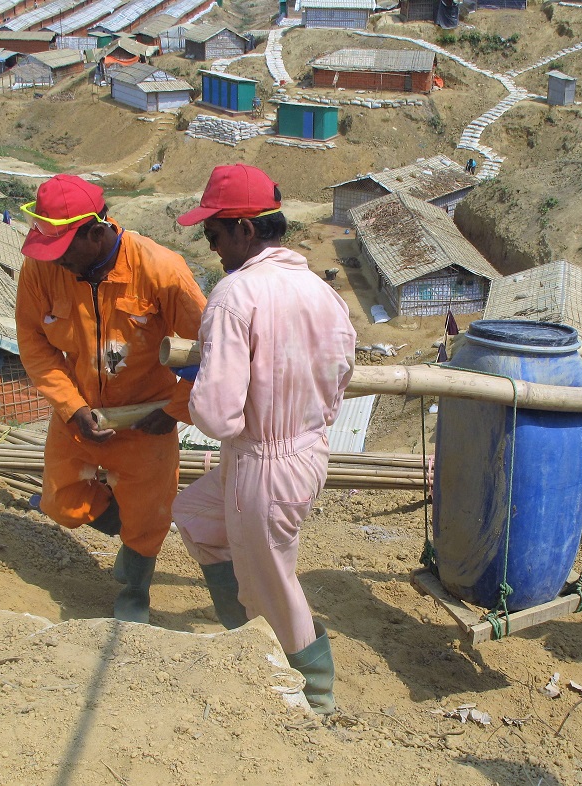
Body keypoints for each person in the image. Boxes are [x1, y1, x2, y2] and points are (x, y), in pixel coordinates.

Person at [172, 164, 356, 715]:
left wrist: (200, 379)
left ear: (246, 231)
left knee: (275, 583)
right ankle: (244, 637)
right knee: (197, 516)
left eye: (215, 235)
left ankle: (315, 695)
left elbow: (220, 417)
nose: (214, 249)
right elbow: (341, 371)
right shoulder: (321, 293)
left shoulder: (235, 294)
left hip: (262, 461)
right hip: (306, 449)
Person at [15, 174, 206, 623]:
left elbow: (212, 349)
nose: (56, 264)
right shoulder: (42, 268)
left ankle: (135, 590)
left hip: (148, 417)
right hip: (80, 411)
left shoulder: (160, 270)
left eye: (63, 253)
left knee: (149, 517)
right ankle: (124, 524)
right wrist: (72, 408)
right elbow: (33, 342)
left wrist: (176, 410)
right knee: (60, 504)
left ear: (95, 233)